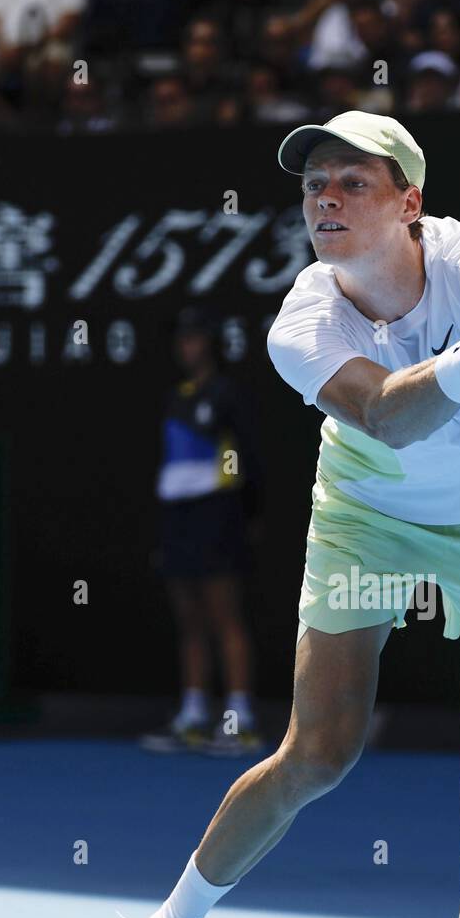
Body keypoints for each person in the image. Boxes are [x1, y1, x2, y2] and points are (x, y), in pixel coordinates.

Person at [71, 111, 460, 918]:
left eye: (355, 180)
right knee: (320, 749)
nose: (328, 196)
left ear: (410, 202)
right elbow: (385, 420)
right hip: (371, 516)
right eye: (316, 183)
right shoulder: (304, 318)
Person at [140, 307, 264, 756]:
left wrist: (245, 514)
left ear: (210, 345)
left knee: (225, 618)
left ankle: (238, 721)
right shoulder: (175, 397)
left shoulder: (228, 394)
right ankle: (193, 717)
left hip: (219, 516)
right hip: (179, 520)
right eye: (182, 339)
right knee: (189, 621)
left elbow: (248, 461)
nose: (187, 346)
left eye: (195, 339)